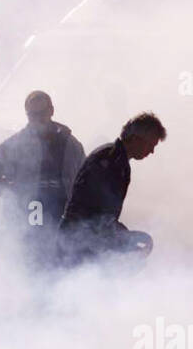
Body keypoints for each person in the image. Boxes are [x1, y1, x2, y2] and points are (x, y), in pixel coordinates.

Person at [0, 90, 85, 267]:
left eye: (41, 114)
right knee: (31, 265)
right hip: (26, 218)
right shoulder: (12, 146)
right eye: (33, 115)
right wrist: (3, 186)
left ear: (51, 111)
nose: (38, 119)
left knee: (61, 265)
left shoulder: (72, 145)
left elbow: (84, 182)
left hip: (62, 215)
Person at [58, 112, 165, 268]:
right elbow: (98, 217)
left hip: (84, 240)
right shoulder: (110, 161)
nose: (151, 151)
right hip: (78, 244)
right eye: (151, 145)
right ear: (137, 139)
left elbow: (105, 218)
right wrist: (127, 240)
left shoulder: (117, 160)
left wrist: (127, 238)